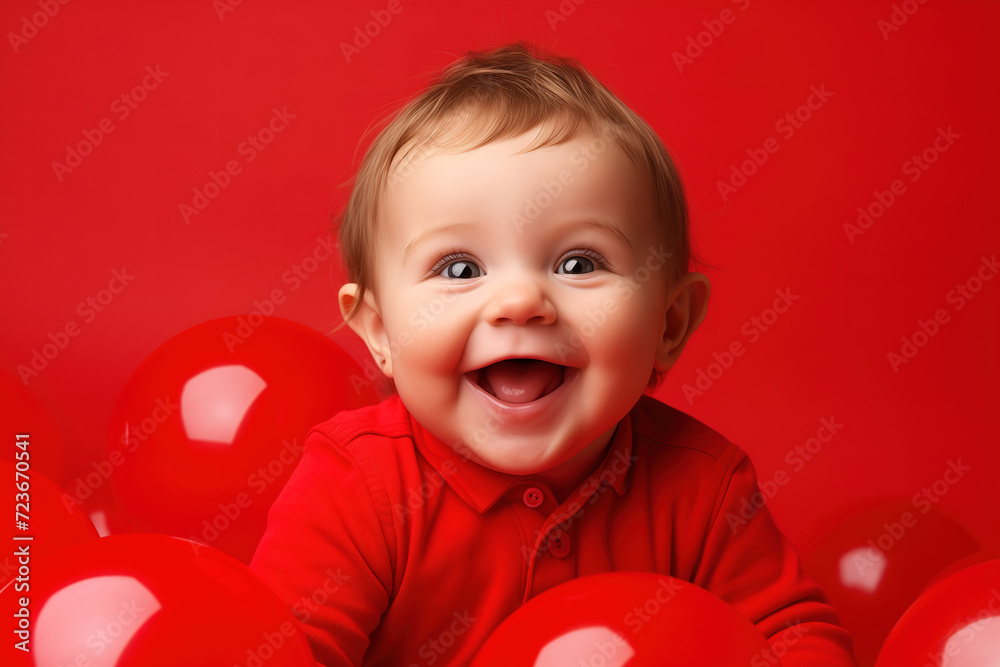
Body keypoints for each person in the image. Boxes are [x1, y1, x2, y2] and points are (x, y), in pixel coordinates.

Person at [250, 41, 858, 666]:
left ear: (669, 324)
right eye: (459, 268)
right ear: (380, 331)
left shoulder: (703, 487)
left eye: (578, 263)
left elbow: (793, 639)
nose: (519, 301)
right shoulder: (359, 488)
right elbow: (282, 651)